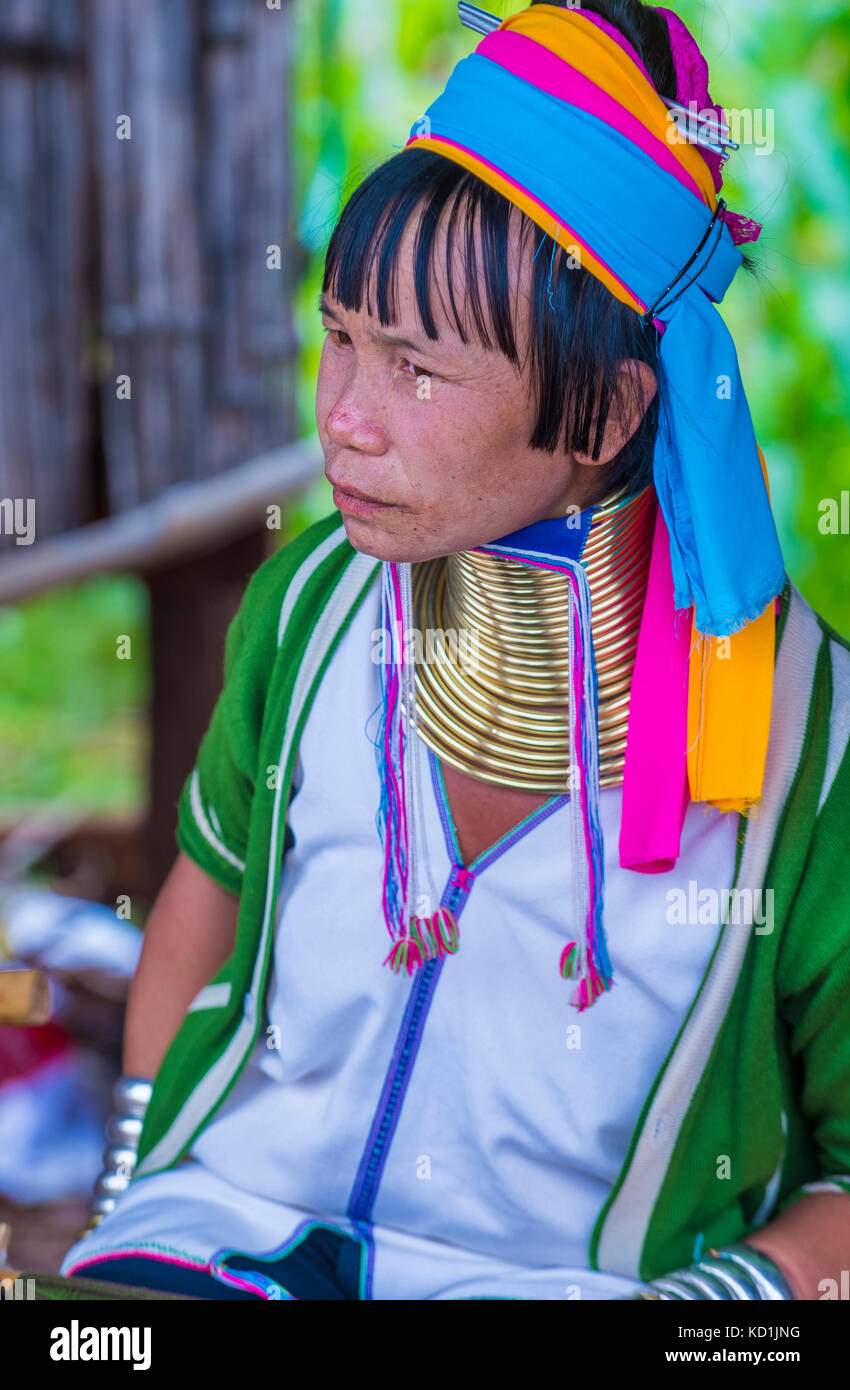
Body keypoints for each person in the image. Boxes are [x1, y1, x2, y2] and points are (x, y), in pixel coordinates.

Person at [60, 0, 850, 1300]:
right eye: (338, 339)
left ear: (605, 403)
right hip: (232, 1232)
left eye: (416, 371)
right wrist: (135, 1193)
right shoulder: (311, 604)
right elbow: (205, 884)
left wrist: (715, 1311)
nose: (345, 421)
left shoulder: (808, 745)